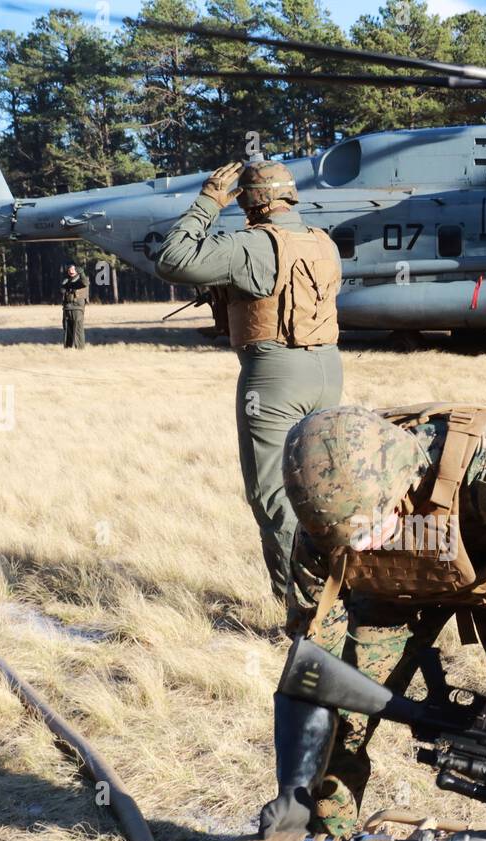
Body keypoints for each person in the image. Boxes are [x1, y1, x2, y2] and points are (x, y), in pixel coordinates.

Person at [258, 404, 486, 840]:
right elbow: (311, 662)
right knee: (341, 720)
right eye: (349, 538)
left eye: (368, 527)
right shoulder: (328, 514)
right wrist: (295, 784)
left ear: (398, 484)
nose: (360, 542)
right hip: (393, 588)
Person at [155, 159, 343, 599]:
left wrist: (206, 204)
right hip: (327, 370)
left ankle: (301, 609)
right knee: (325, 488)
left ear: (251, 202)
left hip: (274, 374)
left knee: (272, 494)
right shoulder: (323, 243)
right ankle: (343, 593)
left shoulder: (249, 246)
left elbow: (172, 259)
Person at [60, 263, 88, 349]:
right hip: (67, 308)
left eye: (73, 269)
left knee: (78, 329)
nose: (71, 271)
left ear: (77, 270)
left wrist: (82, 273)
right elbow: (62, 291)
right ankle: (68, 348)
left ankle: (80, 349)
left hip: (77, 308)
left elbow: (85, 283)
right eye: (69, 269)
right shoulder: (66, 280)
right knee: (67, 329)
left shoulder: (81, 279)